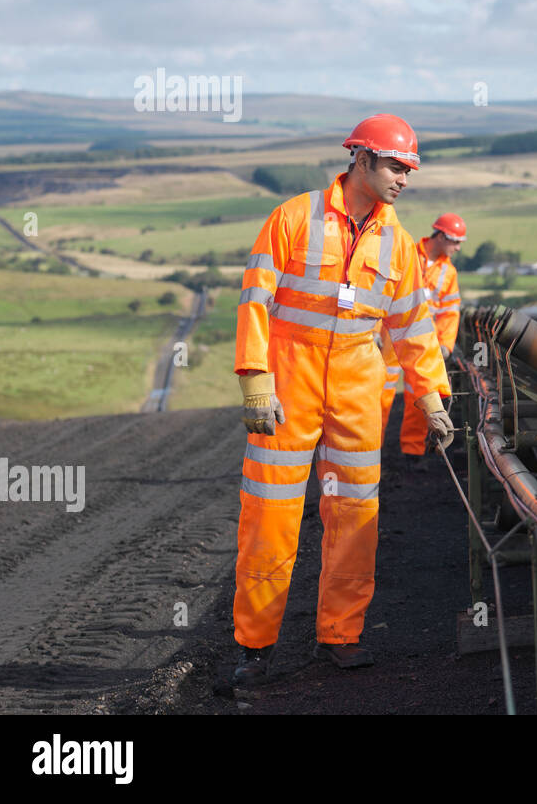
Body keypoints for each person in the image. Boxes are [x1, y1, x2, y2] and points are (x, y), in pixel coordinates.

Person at [231, 114, 455, 685]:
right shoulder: (294, 217)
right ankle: (254, 649)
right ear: (360, 158)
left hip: (358, 384)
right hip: (289, 378)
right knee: (270, 517)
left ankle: (342, 633)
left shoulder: (400, 245)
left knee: (356, 517)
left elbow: (413, 327)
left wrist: (430, 398)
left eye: (410, 169)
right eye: (395, 165)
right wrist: (256, 381)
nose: (404, 178)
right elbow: (256, 299)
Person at [379, 214, 465, 463]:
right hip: (391, 337)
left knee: (422, 395)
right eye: (456, 241)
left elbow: (450, 312)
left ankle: (413, 451)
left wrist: (445, 345)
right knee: (380, 392)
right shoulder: (408, 255)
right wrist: (374, 332)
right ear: (440, 236)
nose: (458, 248)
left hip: (423, 343)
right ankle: (374, 448)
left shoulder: (449, 273)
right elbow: (379, 291)